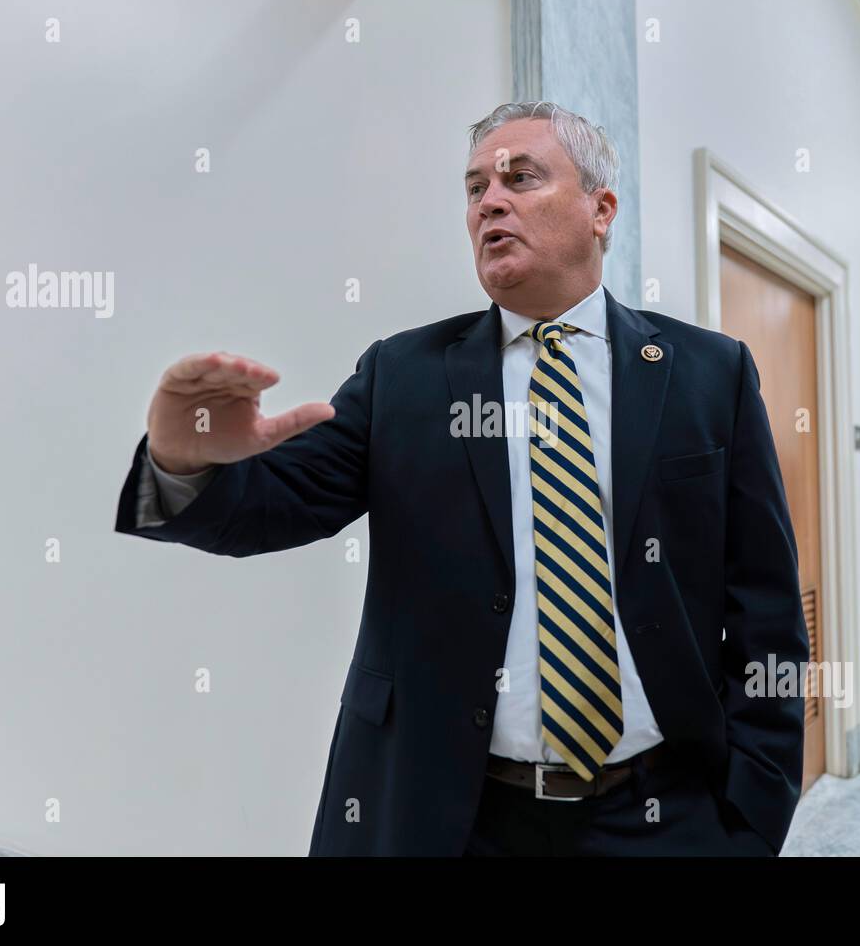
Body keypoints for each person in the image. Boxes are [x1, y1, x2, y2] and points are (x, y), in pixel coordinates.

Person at [114, 101, 808, 856]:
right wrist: (183, 461)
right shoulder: (405, 375)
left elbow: (765, 610)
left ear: (600, 209)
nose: (491, 202)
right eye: (475, 188)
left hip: (662, 815)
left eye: (521, 177)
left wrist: (751, 819)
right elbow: (274, 511)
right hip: (447, 816)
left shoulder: (709, 373)